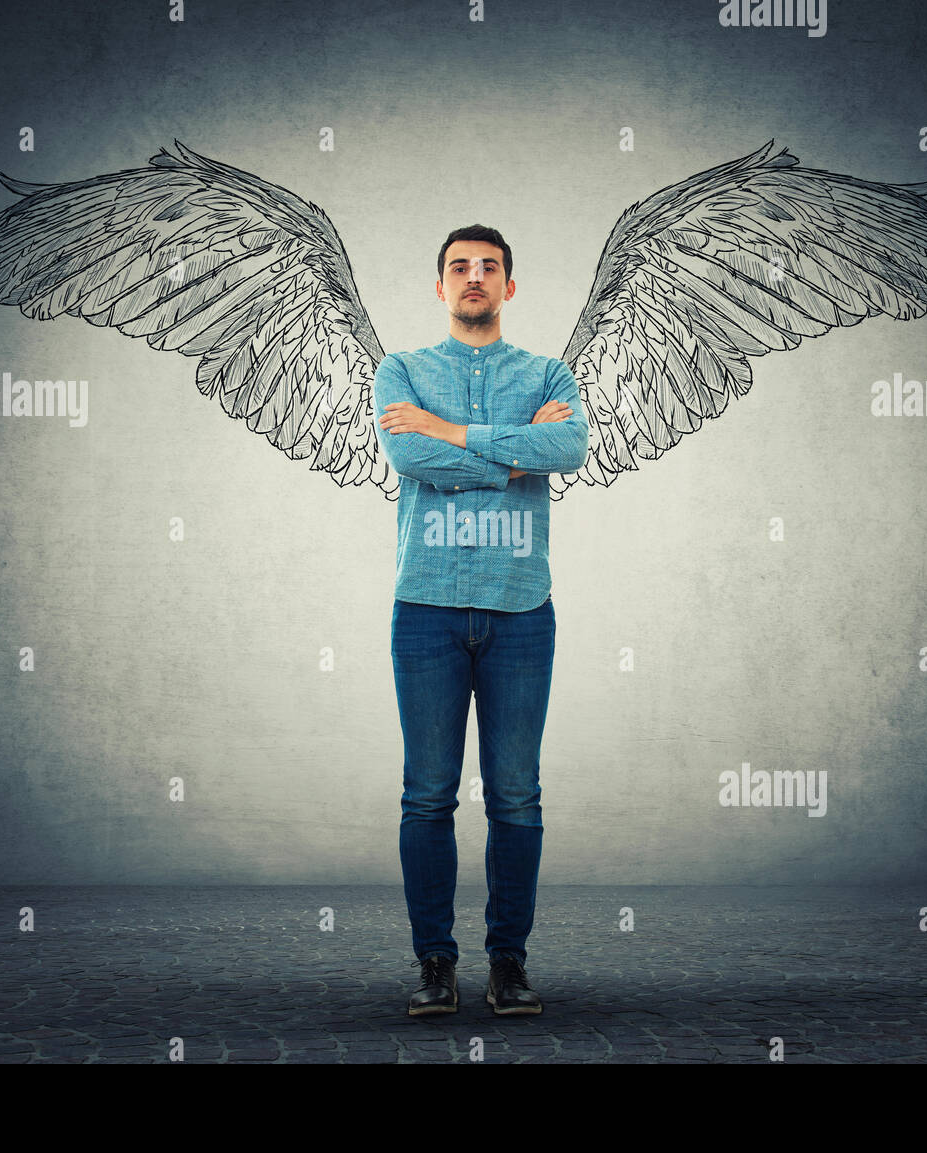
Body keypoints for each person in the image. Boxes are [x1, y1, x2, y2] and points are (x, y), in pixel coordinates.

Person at [373, 225, 589, 1017]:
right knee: (427, 796)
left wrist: (453, 432)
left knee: (516, 796)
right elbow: (407, 459)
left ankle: (509, 963)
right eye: (460, 267)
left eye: (488, 267)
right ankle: (435, 962)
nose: (474, 277)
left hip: (522, 612)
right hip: (425, 608)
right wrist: (515, 451)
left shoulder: (547, 371)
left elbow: (571, 447)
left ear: (509, 286)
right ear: (440, 286)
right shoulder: (400, 370)